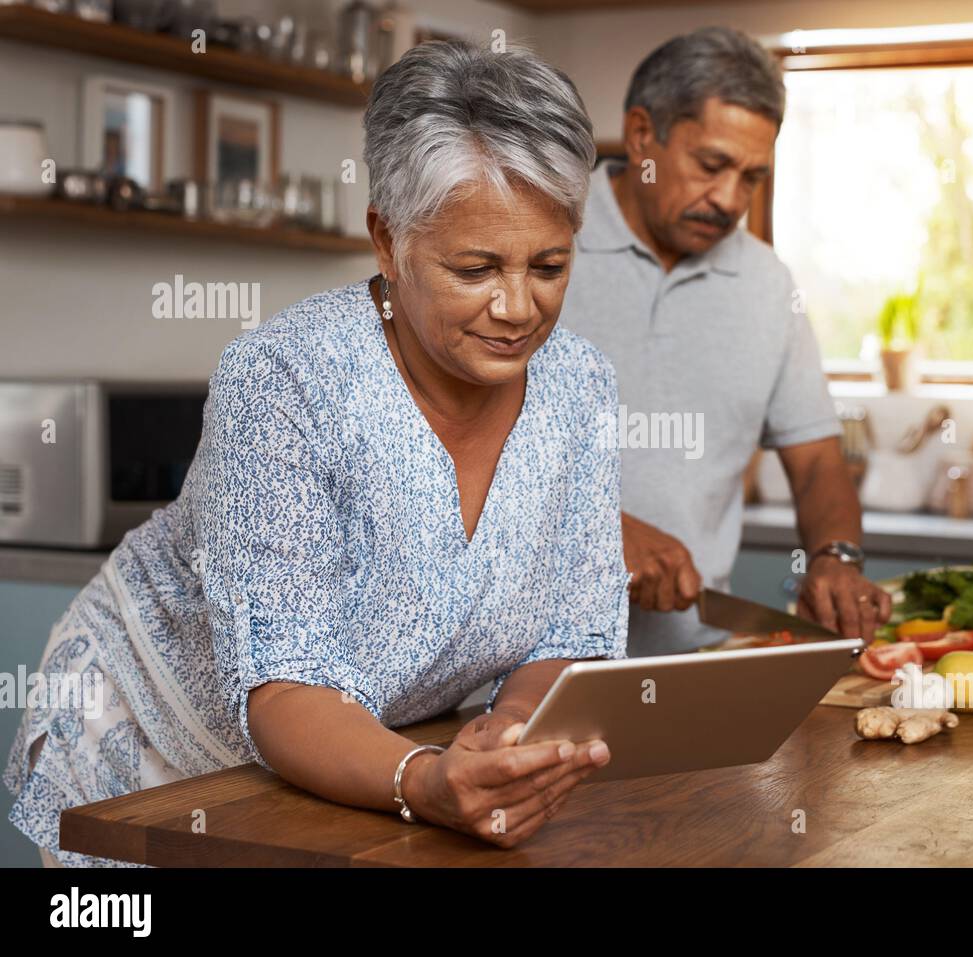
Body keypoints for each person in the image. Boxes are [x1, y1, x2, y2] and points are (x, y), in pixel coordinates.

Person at [4, 40, 627, 866]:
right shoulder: (285, 379)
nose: (518, 307)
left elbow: (573, 632)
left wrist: (506, 742)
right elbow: (284, 683)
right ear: (386, 239)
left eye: (549, 265)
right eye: (476, 268)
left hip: (375, 762)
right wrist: (422, 778)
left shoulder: (580, 385)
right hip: (160, 737)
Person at [560, 26, 892, 655]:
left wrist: (835, 556)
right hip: (514, 667)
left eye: (752, 178)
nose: (729, 199)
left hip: (696, 658)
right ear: (641, 135)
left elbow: (818, 458)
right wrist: (596, 532)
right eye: (711, 166)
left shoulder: (768, 285)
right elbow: (454, 443)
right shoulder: (543, 243)